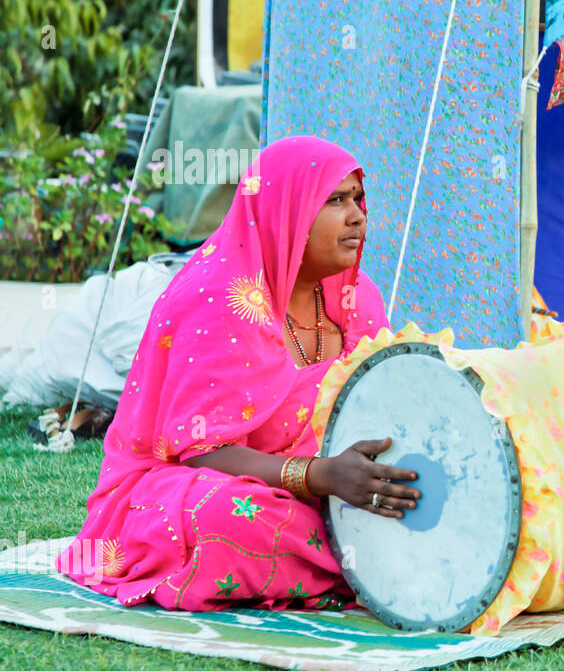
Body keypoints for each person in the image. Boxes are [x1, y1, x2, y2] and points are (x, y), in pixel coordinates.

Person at [56, 136, 421, 611]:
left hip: (333, 485)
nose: (357, 216)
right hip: (210, 483)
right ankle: (357, 561)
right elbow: (199, 455)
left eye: (357, 199)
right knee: (225, 518)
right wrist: (322, 476)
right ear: (284, 210)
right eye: (335, 200)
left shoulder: (354, 298)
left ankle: (346, 553)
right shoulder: (218, 300)